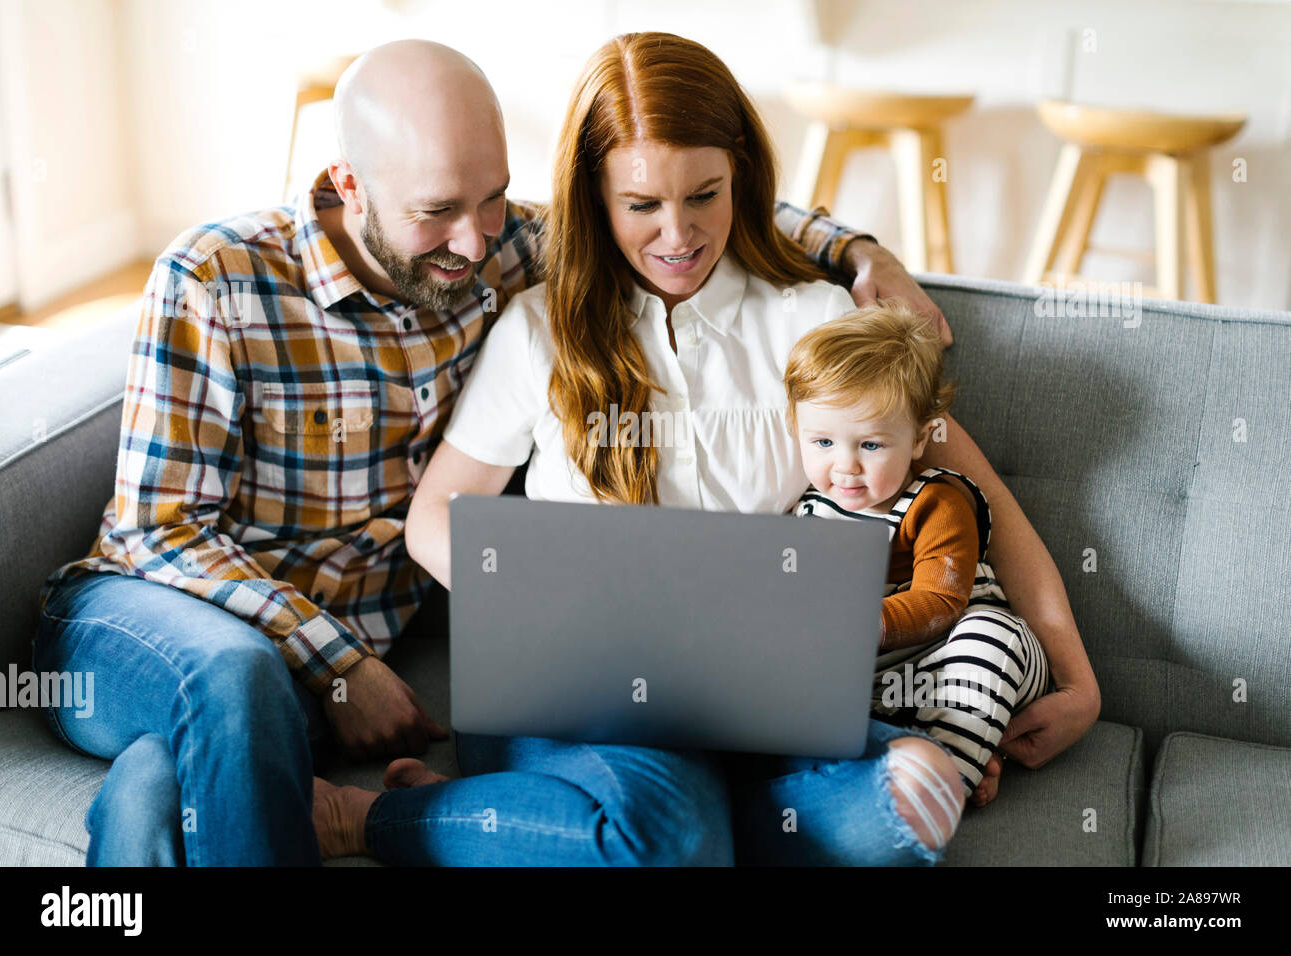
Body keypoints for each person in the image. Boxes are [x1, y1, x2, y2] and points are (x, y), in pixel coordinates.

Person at [31, 38, 947, 866]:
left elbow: (676, 202)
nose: (476, 240)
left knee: (197, 754)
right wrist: (339, 662)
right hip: (152, 614)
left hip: (317, 679)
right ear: (348, 184)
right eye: (439, 211)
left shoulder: (501, 247)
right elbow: (160, 531)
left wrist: (862, 251)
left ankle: (161, 792)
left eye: (495, 198)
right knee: (236, 679)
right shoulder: (215, 279)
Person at [312, 31, 1060, 866]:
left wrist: (1080, 684)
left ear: (739, 172)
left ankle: (532, 826)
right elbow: (435, 519)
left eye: (704, 194)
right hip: (580, 696)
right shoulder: (539, 331)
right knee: (677, 830)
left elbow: (972, 490)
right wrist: (550, 604)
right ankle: (379, 820)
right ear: (594, 197)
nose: (679, 234)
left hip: (764, 698)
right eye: (641, 206)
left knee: (913, 795)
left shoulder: (813, 323)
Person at [785, 301, 1051, 803]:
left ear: (919, 439)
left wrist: (856, 623)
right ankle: (934, 754)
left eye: (870, 446)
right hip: (880, 687)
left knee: (993, 636)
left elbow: (940, 603)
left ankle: (940, 784)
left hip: (958, 656)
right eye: (822, 441)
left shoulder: (936, 502)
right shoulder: (807, 512)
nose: (845, 467)